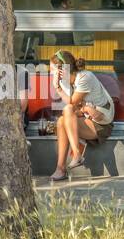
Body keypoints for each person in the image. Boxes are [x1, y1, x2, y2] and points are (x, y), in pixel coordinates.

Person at [48, 50, 115, 182]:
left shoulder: (85, 77)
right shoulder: (66, 82)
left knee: (67, 110)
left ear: (62, 70)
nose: (51, 73)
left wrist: (58, 89)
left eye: (52, 70)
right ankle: (61, 168)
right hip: (87, 119)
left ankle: (74, 158)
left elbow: (72, 103)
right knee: (62, 121)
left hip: (100, 124)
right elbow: (74, 109)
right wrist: (60, 88)